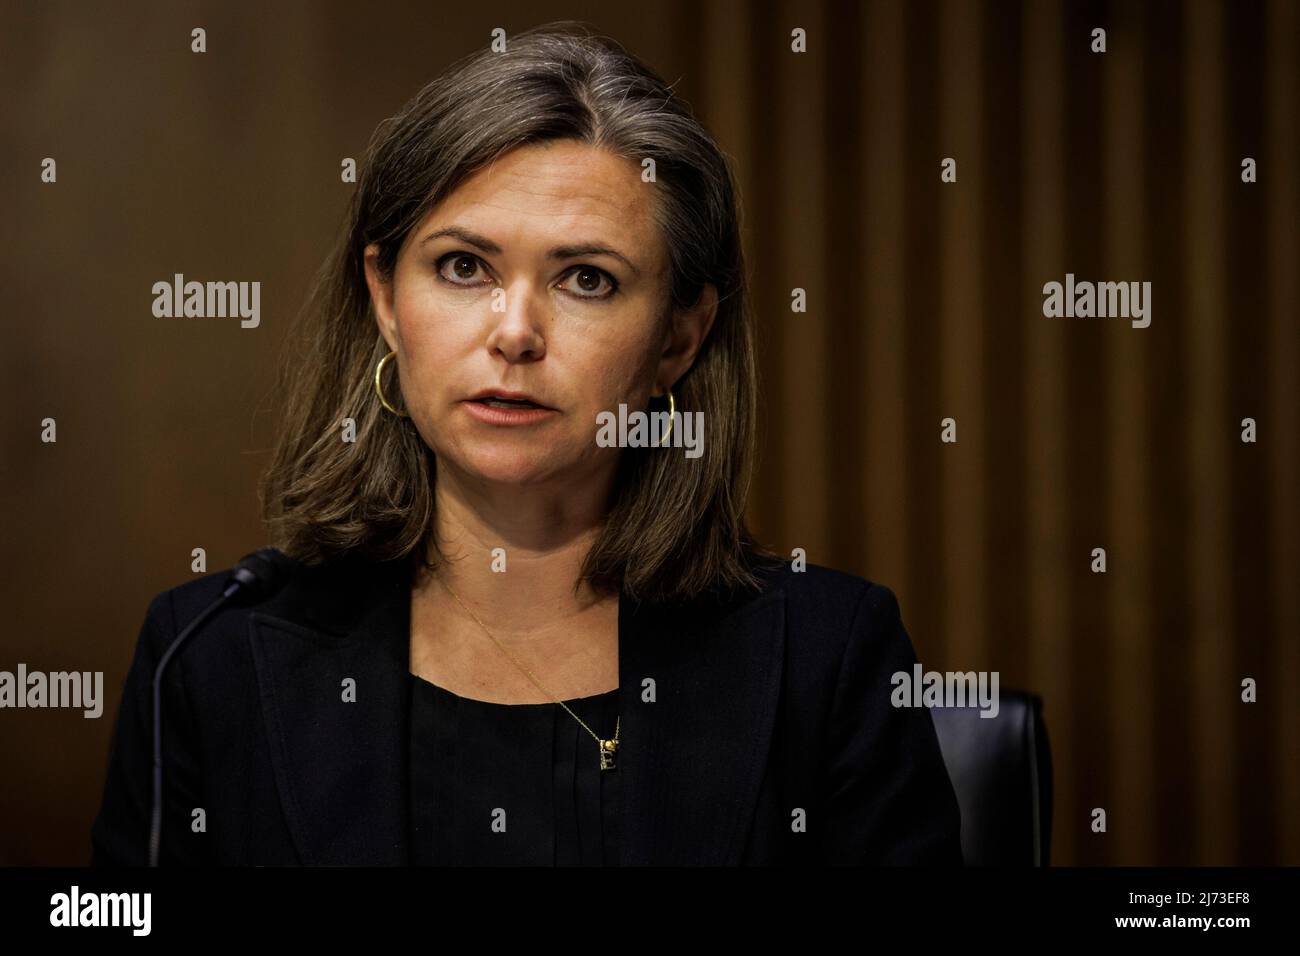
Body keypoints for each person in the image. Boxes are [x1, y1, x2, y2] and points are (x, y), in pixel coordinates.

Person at [91, 21, 962, 866]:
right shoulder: (206, 656)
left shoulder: (831, 657)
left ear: (677, 340)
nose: (515, 333)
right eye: (464, 267)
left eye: (586, 280)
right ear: (387, 299)